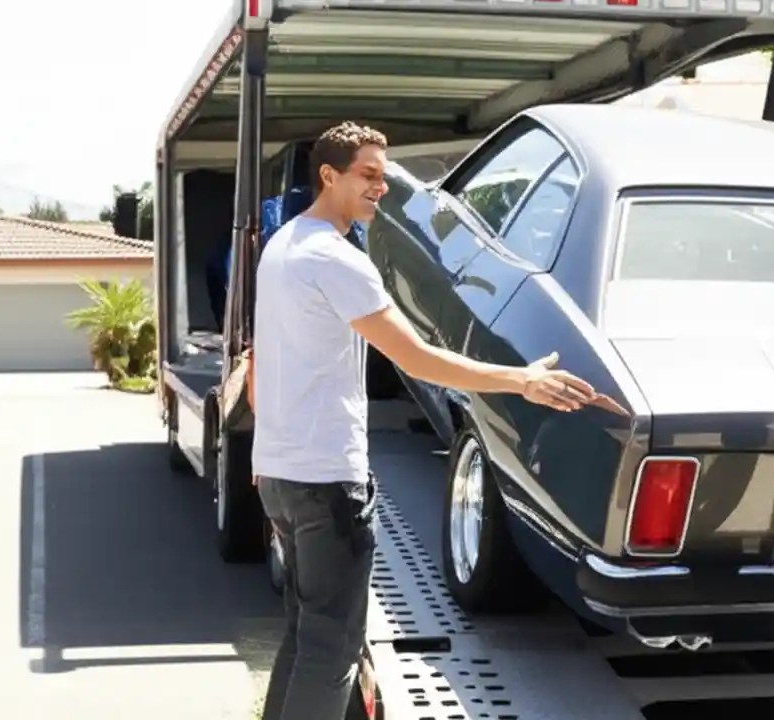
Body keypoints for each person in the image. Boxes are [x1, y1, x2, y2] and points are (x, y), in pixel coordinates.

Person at [249, 121, 597, 720]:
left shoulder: (283, 245)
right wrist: (522, 380)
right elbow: (415, 357)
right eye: (368, 176)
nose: (381, 188)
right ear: (329, 176)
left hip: (281, 475)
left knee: (309, 637)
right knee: (331, 651)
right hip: (327, 480)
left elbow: (261, 362)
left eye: (384, 177)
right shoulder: (338, 261)